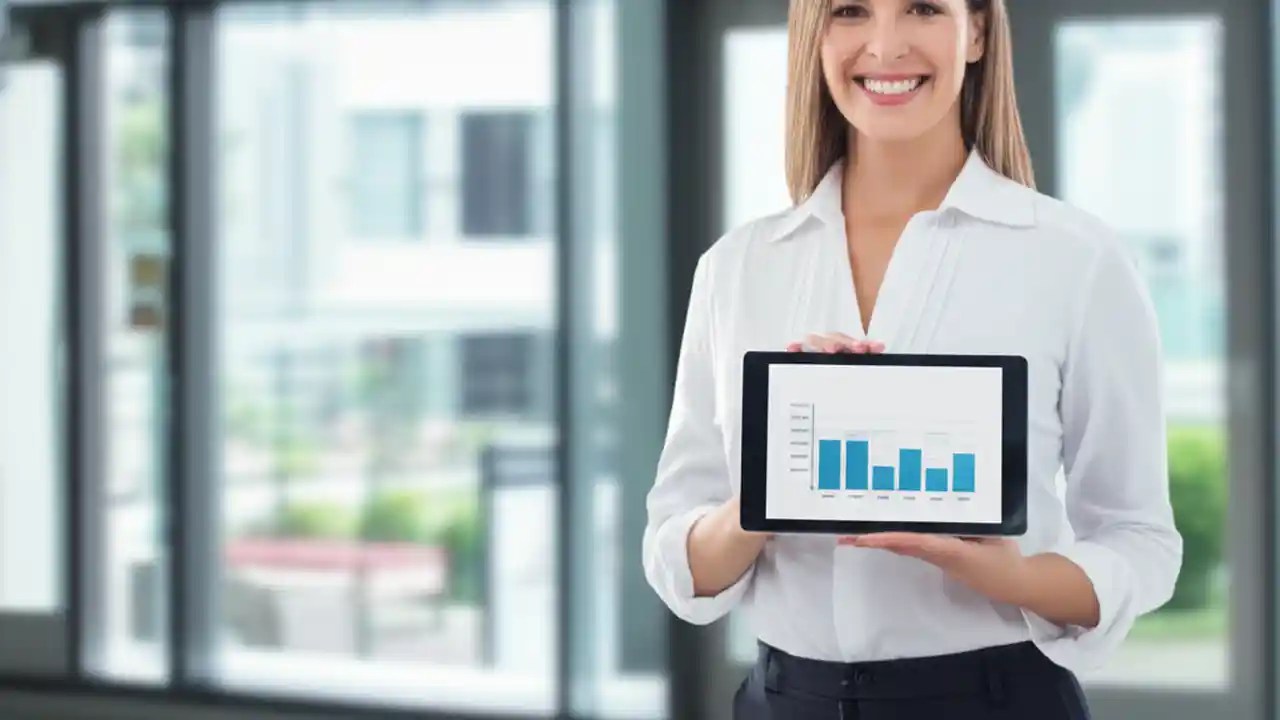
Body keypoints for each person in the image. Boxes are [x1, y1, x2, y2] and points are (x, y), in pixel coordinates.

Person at [641, 0, 1184, 717]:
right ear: (815, 36)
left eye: (923, 8)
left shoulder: (1074, 259)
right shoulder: (739, 267)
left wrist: (1010, 576)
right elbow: (679, 562)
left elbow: (1140, 541)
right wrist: (778, 487)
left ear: (978, 30)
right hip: (782, 701)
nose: (885, 45)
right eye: (850, 12)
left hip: (995, 700)